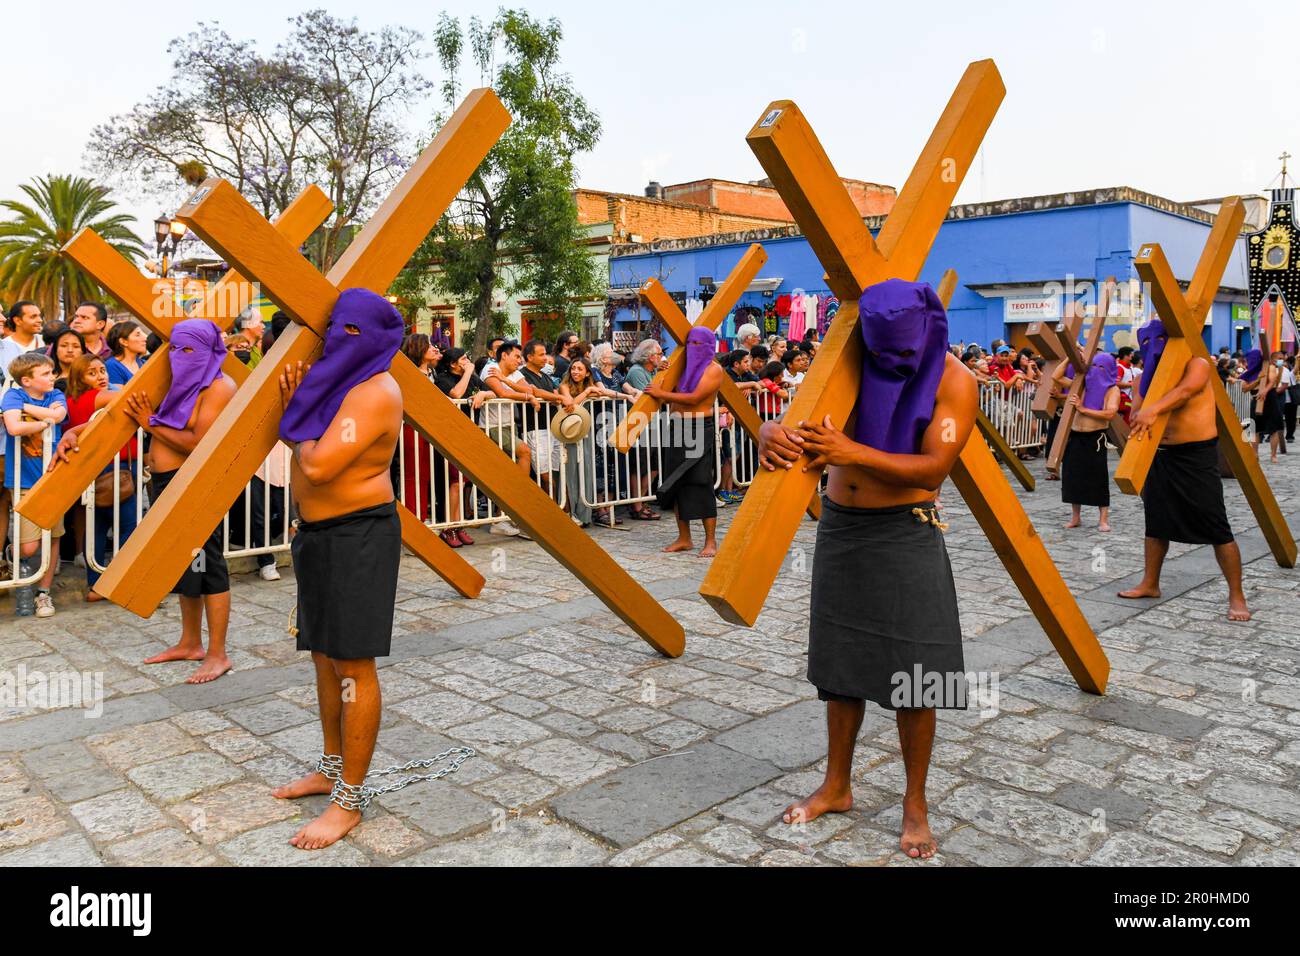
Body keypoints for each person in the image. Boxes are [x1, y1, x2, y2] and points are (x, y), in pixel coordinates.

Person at [758, 278, 977, 860]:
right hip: (841, 530)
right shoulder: (845, 367)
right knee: (841, 667)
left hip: (905, 533)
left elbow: (933, 467)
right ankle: (838, 785)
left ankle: (915, 802)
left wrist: (852, 453)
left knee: (918, 674)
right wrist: (767, 433)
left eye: (903, 353)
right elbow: (789, 422)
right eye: (883, 352)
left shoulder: (958, 381)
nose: (893, 362)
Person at [270, 288, 406, 851]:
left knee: (352, 664)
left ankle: (349, 799)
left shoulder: (376, 389)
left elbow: (321, 464)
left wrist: (298, 409)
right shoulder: (338, 385)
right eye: (334, 327)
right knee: (324, 658)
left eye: (350, 332)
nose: (335, 339)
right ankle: (330, 768)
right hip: (318, 534)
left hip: (359, 535)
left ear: (372, 338)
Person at [120, 319, 237, 682]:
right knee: (185, 565)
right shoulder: (179, 382)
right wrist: (75, 432)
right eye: (173, 349)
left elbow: (199, 443)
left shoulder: (219, 386)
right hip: (164, 483)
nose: (179, 357)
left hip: (194, 486)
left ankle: (218, 653)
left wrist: (149, 423)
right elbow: (111, 400)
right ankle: (190, 642)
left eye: (188, 350)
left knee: (208, 565)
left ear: (208, 350)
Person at [1119, 319, 1250, 621]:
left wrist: (1154, 409)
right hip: (1161, 455)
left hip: (1196, 456)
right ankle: (1150, 583)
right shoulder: (1144, 378)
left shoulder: (1198, 363)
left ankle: (1237, 595)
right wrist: (1140, 412)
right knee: (1155, 523)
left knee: (1216, 525)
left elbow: (1186, 392)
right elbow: (1137, 409)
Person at [643, 327, 724, 556]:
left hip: (699, 428)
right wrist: (663, 373)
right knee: (675, 482)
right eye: (690, 343)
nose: (693, 347)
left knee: (700, 483)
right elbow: (667, 387)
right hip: (677, 427)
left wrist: (662, 394)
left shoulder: (714, 369)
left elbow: (694, 398)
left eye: (698, 344)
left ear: (709, 346)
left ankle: (710, 541)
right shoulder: (684, 368)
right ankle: (684, 538)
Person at [62, 354, 139, 594]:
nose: (101, 376)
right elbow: (133, 396)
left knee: (96, 524)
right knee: (129, 525)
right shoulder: (99, 396)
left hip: (93, 466)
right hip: (116, 465)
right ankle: (122, 580)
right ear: (80, 378)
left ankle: (95, 583)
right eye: (92, 373)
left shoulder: (71, 400)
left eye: (102, 370)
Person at [2, 352, 67, 617]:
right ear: (26, 380)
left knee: (52, 536)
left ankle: (43, 593)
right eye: (45, 374)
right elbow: (14, 428)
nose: (52, 377)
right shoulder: (13, 395)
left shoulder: (54, 395)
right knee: (29, 546)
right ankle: (16, 559)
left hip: (53, 478)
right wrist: (44, 420)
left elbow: (60, 416)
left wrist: (28, 411)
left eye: (52, 372)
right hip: (23, 480)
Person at [480, 340, 537, 537]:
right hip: (492, 426)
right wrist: (528, 397)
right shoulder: (490, 368)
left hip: (508, 425)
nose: (519, 361)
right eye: (517, 356)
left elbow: (529, 389)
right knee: (524, 452)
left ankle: (506, 514)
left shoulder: (512, 373)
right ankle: (516, 502)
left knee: (506, 471)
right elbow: (503, 393)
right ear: (504, 355)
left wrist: (508, 382)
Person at [433, 348, 489, 545]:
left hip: (468, 434)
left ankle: (459, 525)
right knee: (454, 482)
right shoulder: (442, 378)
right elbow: (456, 394)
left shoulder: (471, 379)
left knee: (463, 482)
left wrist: (482, 393)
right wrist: (468, 373)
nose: (467, 361)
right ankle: (449, 527)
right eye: (463, 359)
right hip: (450, 435)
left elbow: (490, 390)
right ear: (452, 364)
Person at [1060, 353, 1119, 532]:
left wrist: (1083, 409)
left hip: (1095, 438)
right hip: (1076, 436)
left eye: (1101, 367)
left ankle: (1103, 520)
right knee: (1072, 477)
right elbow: (1057, 377)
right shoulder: (1082, 384)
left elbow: (1110, 413)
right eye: (1094, 366)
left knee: (1098, 478)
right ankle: (1076, 517)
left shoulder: (1112, 389)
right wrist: (1071, 357)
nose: (1097, 371)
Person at [557, 356, 617, 526]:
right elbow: (570, 406)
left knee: (586, 470)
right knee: (571, 472)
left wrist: (628, 396)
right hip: (569, 433)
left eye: (579, 369)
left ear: (587, 373)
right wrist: (586, 393)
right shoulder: (564, 386)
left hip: (586, 432)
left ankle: (584, 515)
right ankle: (570, 512)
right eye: (573, 368)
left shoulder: (591, 386)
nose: (575, 372)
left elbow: (607, 392)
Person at [518, 339, 570, 499]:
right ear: (529, 357)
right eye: (541, 355)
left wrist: (559, 397)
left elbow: (553, 395)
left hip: (552, 428)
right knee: (544, 474)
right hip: (535, 429)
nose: (545, 358)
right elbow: (535, 392)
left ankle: (559, 510)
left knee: (554, 471)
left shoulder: (545, 376)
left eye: (545, 354)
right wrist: (561, 398)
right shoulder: (522, 374)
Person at [623, 338, 663, 520]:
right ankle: (636, 505)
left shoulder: (654, 371)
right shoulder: (637, 372)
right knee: (639, 466)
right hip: (639, 425)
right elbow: (649, 398)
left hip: (654, 424)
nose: (662, 357)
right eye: (659, 354)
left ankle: (643, 499)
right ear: (649, 356)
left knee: (653, 466)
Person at [0, 301, 45, 372]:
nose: (40, 320)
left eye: (39, 316)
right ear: (17, 320)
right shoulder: (8, 345)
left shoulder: (48, 343)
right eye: (33, 317)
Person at [105, 320, 148, 385]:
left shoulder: (144, 363)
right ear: (124, 342)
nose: (145, 338)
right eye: (138, 335)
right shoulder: (111, 366)